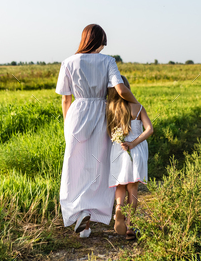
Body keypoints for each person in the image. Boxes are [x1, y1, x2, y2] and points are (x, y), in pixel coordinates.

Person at [56, 24, 139, 238]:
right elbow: (119, 89)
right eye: (103, 42)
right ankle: (90, 216)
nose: (103, 47)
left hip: (76, 114)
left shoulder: (68, 62)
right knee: (99, 168)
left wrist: (68, 127)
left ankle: (81, 218)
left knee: (76, 166)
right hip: (101, 114)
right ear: (99, 40)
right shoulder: (108, 61)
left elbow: (66, 99)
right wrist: (136, 102)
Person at [107, 75, 153, 240]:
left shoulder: (110, 108)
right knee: (133, 188)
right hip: (136, 150)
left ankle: (118, 207)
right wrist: (133, 143)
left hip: (118, 150)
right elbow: (149, 130)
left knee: (120, 185)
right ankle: (130, 225)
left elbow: (108, 133)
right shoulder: (137, 107)